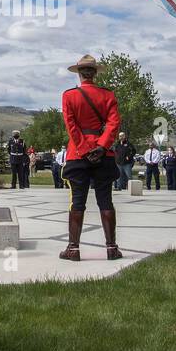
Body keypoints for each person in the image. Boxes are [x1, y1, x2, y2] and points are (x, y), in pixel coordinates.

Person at [59, 54, 123, 261]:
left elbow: (71, 126)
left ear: (79, 74)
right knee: (105, 201)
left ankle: (73, 249)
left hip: (78, 154)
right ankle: (112, 248)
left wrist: (85, 148)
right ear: (94, 73)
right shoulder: (108, 95)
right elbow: (113, 124)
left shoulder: (69, 96)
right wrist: (101, 147)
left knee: (77, 201)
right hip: (103, 155)